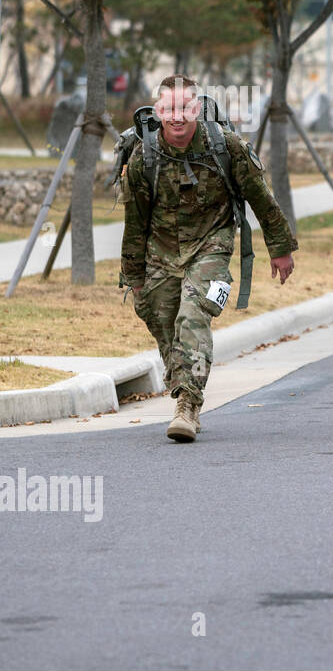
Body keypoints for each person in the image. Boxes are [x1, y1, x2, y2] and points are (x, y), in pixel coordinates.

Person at [120, 75, 297, 442]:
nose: (177, 116)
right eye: (168, 108)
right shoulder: (144, 156)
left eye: (185, 107)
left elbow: (260, 197)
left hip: (212, 247)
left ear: (196, 108)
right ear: (157, 111)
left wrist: (280, 247)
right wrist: (133, 275)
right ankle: (182, 379)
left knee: (193, 313)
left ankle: (188, 402)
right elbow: (134, 221)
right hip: (161, 251)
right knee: (159, 314)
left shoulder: (225, 146)